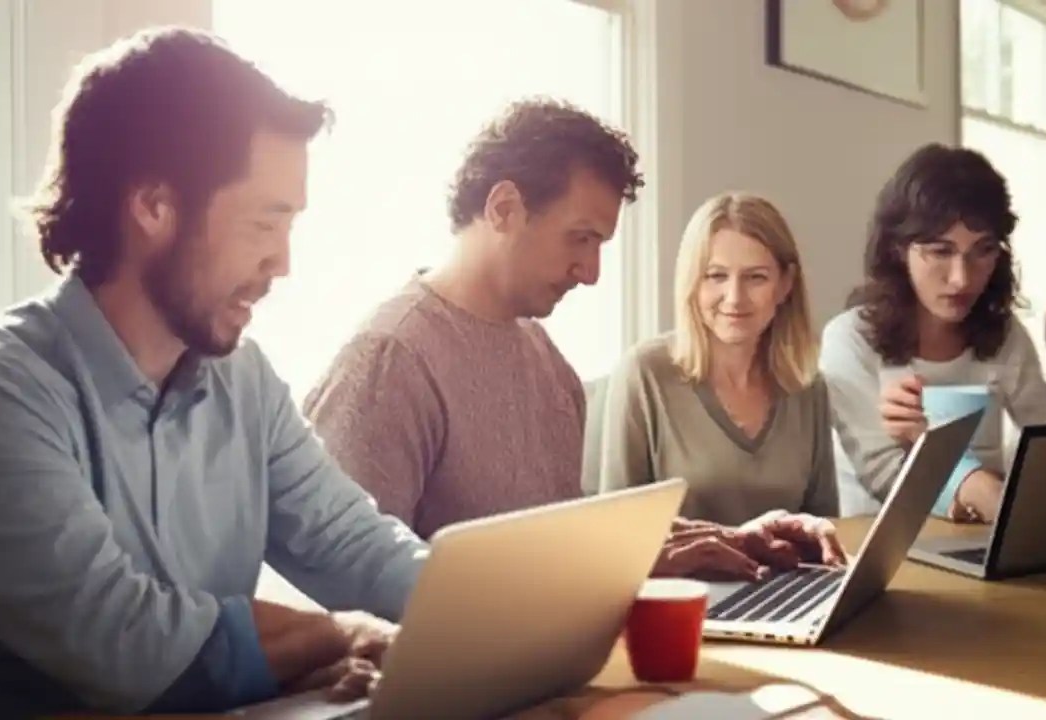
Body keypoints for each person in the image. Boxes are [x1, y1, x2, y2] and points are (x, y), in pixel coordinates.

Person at [0, 28, 423, 719]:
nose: (283, 263)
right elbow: (131, 647)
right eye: (263, 225)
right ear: (153, 206)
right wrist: (336, 635)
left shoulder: (243, 381)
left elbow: (350, 542)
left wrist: (497, 610)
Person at [302, 99, 844, 577]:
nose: (591, 272)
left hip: (551, 663)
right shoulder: (390, 359)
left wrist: (729, 538)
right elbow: (351, 580)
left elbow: (570, 550)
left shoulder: (545, 361)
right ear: (504, 209)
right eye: (580, 239)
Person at [819, 144, 1046, 523]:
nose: (962, 278)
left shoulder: (1008, 338)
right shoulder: (851, 340)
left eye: (983, 250)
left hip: (982, 541)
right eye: (940, 252)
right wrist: (983, 491)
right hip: (877, 547)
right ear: (898, 249)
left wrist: (928, 441)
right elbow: (884, 475)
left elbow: (1042, 462)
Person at [590, 192, 838, 527]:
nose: (734, 298)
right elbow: (615, 531)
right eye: (716, 276)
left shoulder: (807, 384)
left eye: (756, 277)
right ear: (692, 281)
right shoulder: (644, 374)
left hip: (787, 578)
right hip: (679, 579)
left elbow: (822, 524)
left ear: (785, 285)